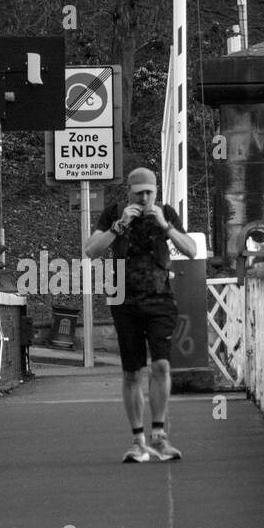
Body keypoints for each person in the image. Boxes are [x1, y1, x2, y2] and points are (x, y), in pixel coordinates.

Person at [85, 167, 197, 462]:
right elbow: (91, 250)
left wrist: (167, 227)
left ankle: (159, 436)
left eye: (150, 193)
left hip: (160, 298)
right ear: (129, 193)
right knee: (131, 371)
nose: (145, 198)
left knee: (161, 365)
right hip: (124, 300)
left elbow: (191, 250)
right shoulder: (114, 213)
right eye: (139, 193)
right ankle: (138, 440)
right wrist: (118, 227)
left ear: (156, 192)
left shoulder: (166, 213)